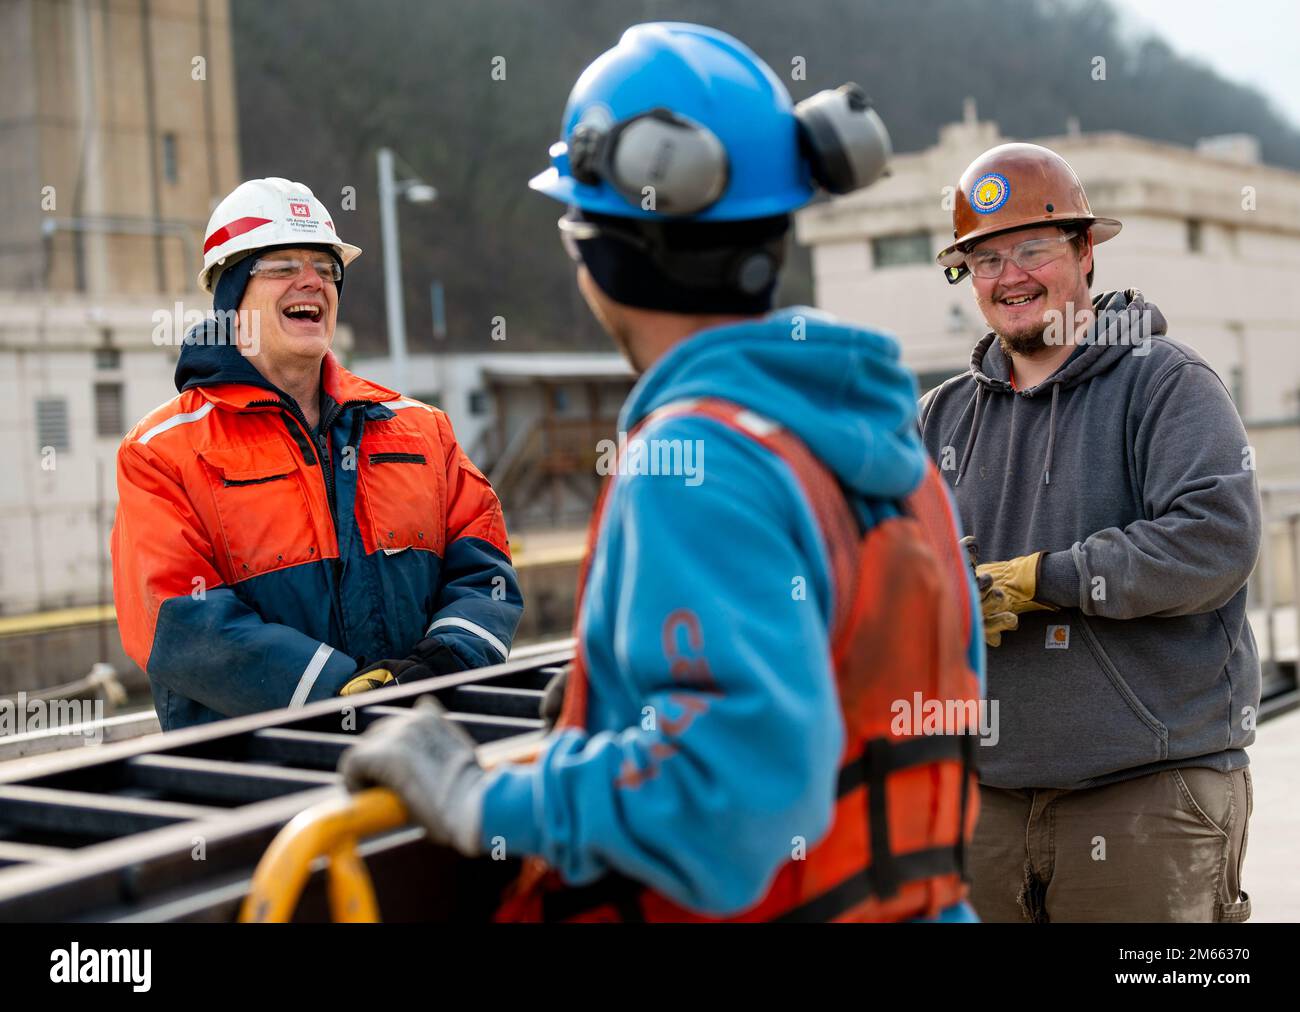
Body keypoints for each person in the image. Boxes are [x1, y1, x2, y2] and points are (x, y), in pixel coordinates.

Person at [342, 23, 985, 922]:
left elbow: (731, 803)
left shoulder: (699, 463)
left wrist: (480, 801)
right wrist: (625, 711)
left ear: (603, 254)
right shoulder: (885, 443)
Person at [919, 142, 1260, 922]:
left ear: (1084, 251)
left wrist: (1044, 580)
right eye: (984, 261)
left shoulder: (1166, 382)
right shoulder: (941, 416)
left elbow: (1215, 541)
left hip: (1146, 795)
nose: (1009, 278)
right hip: (984, 802)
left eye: (1031, 249)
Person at [111, 177, 522, 730]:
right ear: (232, 294)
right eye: (283, 266)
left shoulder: (422, 430)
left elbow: (485, 568)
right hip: (255, 788)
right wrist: (340, 694)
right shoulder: (161, 453)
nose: (313, 282)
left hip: (414, 757)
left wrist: (446, 663)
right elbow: (178, 622)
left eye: (327, 269)